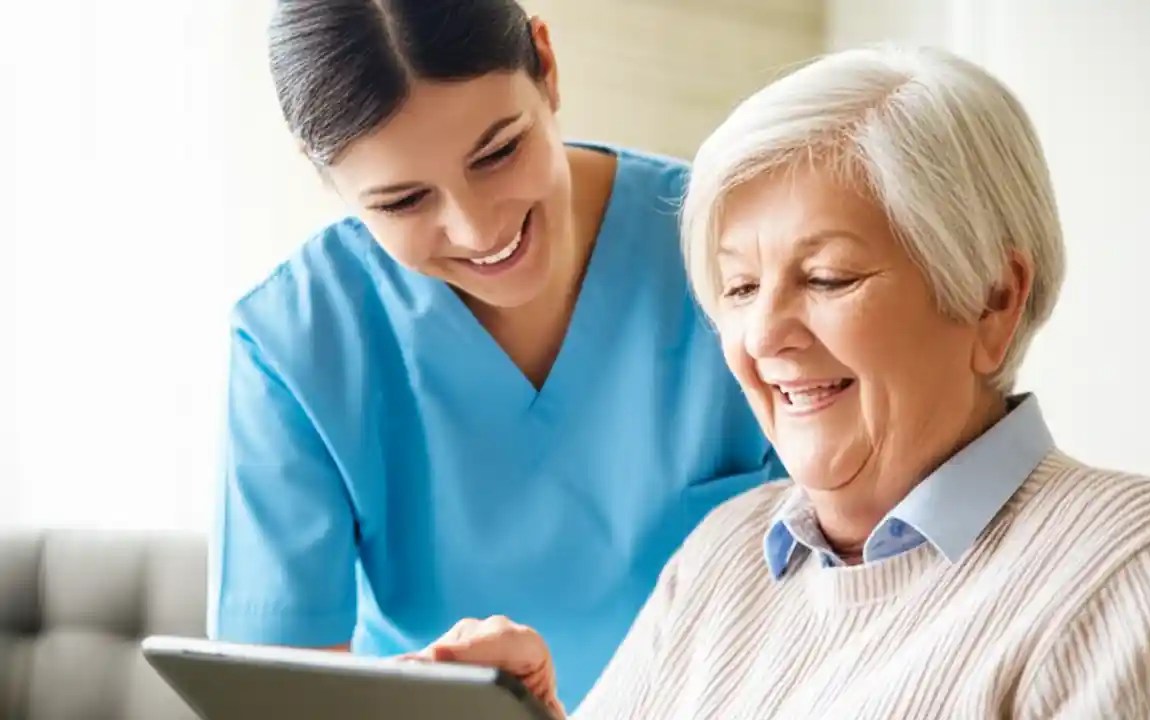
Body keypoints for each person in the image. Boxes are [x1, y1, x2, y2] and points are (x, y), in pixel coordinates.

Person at [407, 45, 1150, 718]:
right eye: (740, 288)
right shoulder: (724, 555)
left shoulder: (1139, 574)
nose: (765, 336)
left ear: (992, 300)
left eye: (828, 279)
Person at [207, 0, 781, 708]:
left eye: (499, 151)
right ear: (324, 172)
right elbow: (284, 698)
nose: (478, 229)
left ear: (546, 66)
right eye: (404, 201)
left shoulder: (741, 250)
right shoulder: (293, 345)